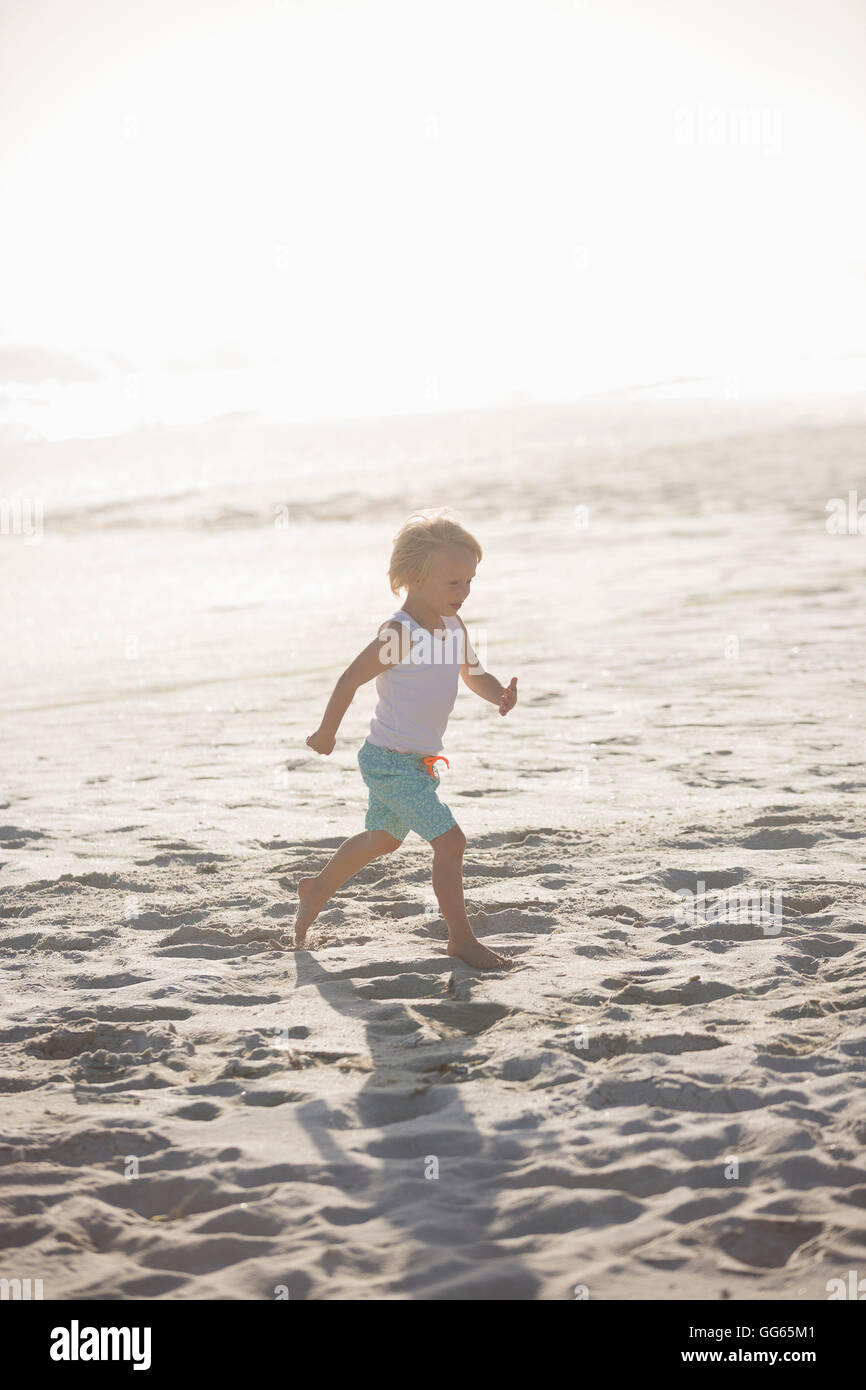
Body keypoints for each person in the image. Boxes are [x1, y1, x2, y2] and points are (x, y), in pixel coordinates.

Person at [295, 509, 518, 969]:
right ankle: (461, 939)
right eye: (453, 583)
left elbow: (473, 674)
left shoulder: (453, 628)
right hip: (390, 762)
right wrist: (326, 733)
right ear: (414, 577)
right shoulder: (402, 633)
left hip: (418, 762)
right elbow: (348, 680)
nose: (465, 593)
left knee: (382, 839)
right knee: (451, 842)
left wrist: (498, 695)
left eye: (470, 582)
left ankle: (316, 887)